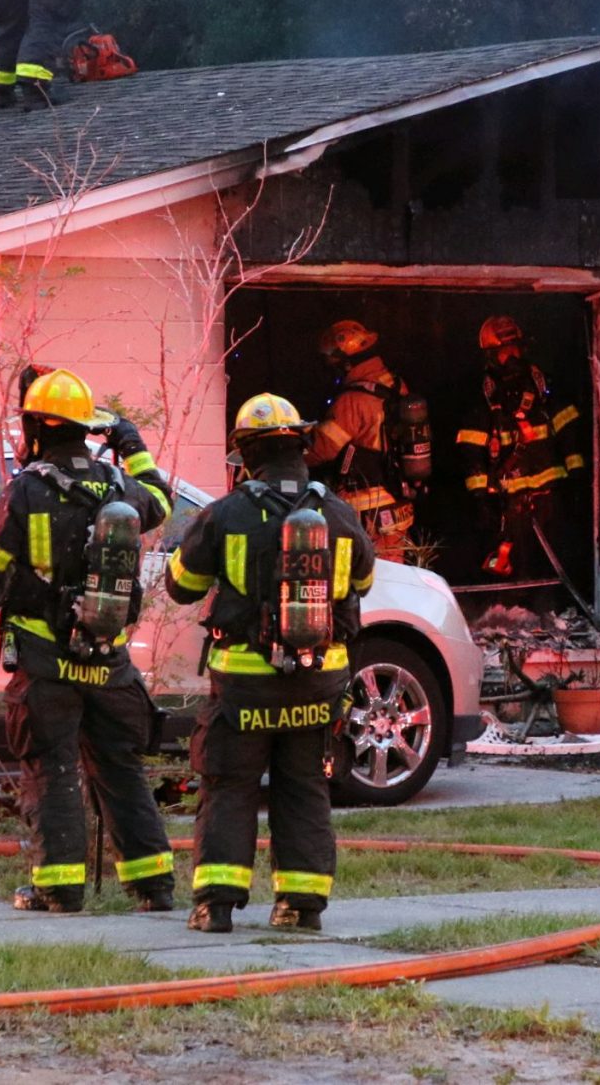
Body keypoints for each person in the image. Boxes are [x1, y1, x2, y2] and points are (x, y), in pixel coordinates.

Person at [0, 368, 177, 913]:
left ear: (36, 427)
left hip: (44, 658)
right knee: (121, 768)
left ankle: (58, 888)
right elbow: (162, 501)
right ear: (86, 428)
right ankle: (154, 885)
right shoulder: (119, 485)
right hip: (108, 659)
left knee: (52, 768)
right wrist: (132, 445)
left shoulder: (26, 490)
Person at [165, 393, 374, 933]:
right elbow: (364, 581)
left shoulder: (225, 514)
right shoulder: (338, 514)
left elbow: (182, 586)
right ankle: (302, 906)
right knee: (304, 787)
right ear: (301, 445)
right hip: (317, 685)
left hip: (244, 687)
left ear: (247, 452)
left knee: (229, 786)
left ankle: (215, 906)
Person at [455, 314, 587, 582]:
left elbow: (569, 432)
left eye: (515, 348)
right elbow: (472, 453)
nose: (512, 357)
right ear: (490, 356)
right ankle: (514, 604)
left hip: (550, 498)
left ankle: (553, 603)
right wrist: (481, 499)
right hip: (510, 506)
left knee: (556, 565)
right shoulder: (483, 399)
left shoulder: (543, 388)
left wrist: (576, 478)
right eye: (505, 351)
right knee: (510, 568)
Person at [306, 319, 416, 561]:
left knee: (359, 574)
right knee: (393, 574)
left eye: (333, 363)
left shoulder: (352, 400)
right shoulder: (395, 385)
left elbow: (321, 449)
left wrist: (287, 451)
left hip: (365, 509)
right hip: (396, 501)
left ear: (346, 362)